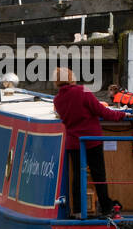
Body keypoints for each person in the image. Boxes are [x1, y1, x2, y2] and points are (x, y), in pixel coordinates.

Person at [53, 68, 128, 217]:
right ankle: (106, 207)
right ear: (71, 78)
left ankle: (78, 210)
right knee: (98, 174)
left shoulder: (57, 100)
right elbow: (102, 111)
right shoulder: (83, 91)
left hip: (74, 142)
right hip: (92, 140)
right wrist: (122, 114)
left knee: (77, 176)